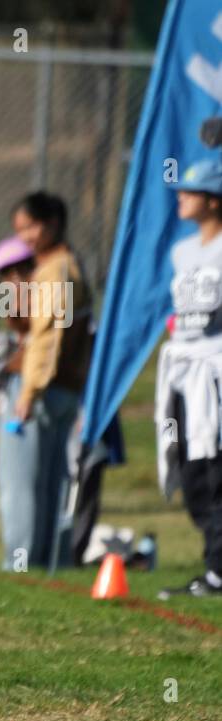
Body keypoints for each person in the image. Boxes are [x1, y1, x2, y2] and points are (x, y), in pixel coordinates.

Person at [9, 191, 94, 570]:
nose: (24, 237)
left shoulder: (53, 270)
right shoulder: (73, 264)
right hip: (68, 390)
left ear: (53, 224)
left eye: (30, 227)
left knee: (23, 484)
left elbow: (46, 335)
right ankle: (45, 561)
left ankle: (21, 562)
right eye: (20, 230)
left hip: (43, 388)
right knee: (49, 482)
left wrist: (29, 391)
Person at [155, 157, 222, 599]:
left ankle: (217, 571)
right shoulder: (181, 251)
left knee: (216, 471)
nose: (180, 197)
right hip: (184, 374)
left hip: (216, 375)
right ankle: (214, 564)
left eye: (190, 191)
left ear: (214, 201)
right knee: (190, 469)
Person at [0, 236, 37, 569]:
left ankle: (21, 559)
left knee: (20, 485)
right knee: (22, 483)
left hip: (26, 399)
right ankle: (31, 557)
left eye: (21, 272)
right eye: (7, 275)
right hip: (16, 398)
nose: (14, 282)